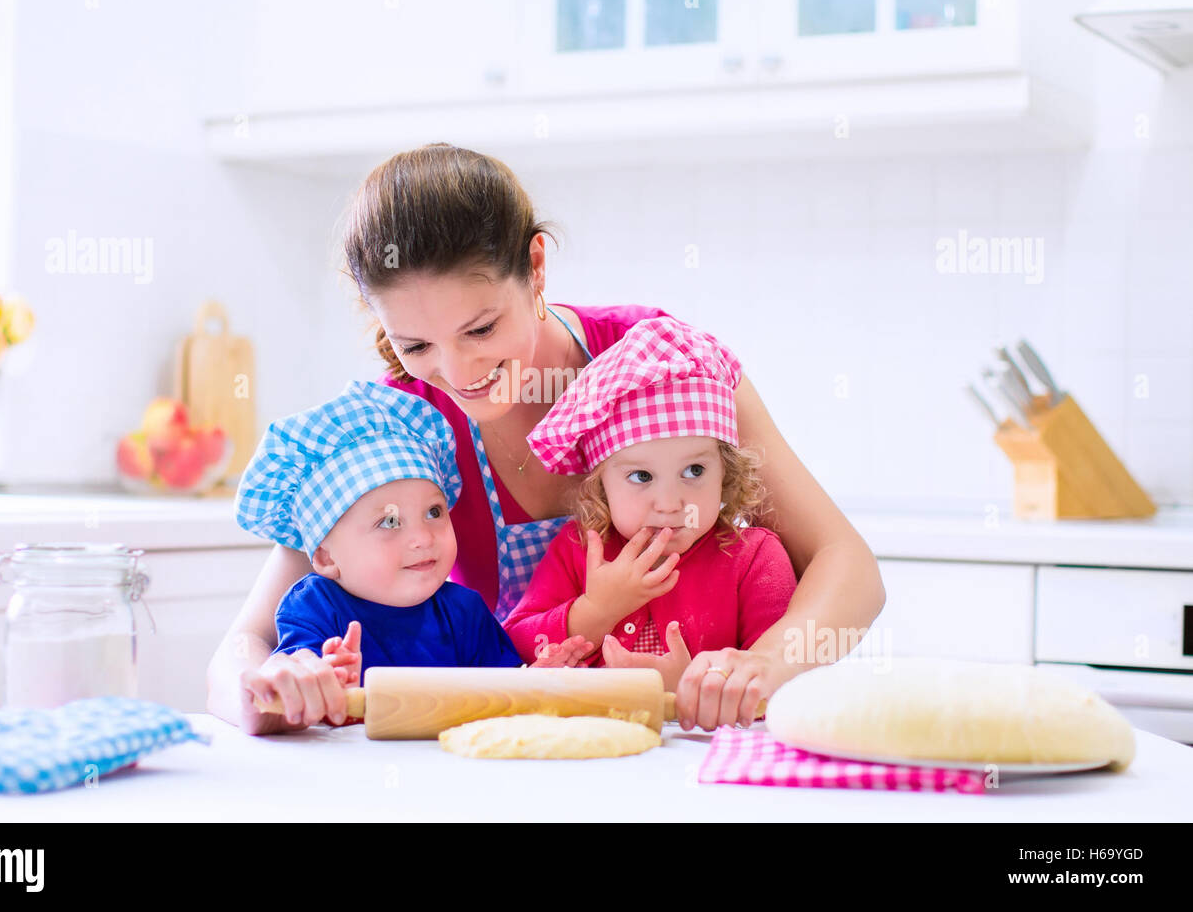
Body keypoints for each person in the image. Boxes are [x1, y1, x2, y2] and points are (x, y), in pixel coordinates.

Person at [207, 142, 885, 735]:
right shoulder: (396, 428)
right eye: (416, 344)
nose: (458, 373)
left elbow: (848, 567)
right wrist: (264, 686)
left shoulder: (660, 361)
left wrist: (761, 668)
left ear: (534, 267)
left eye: (480, 329)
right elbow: (247, 640)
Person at [231, 380, 591, 725]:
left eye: (434, 512)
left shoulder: (463, 611)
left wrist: (534, 680)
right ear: (326, 557)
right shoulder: (313, 608)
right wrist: (326, 683)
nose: (422, 537)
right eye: (389, 522)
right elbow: (292, 692)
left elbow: (500, 698)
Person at [503, 317, 798, 705]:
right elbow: (517, 647)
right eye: (642, 476)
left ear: (726, 471)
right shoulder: (579, 550)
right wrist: (594, 611)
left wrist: (690, 685)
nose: (670, 502)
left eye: (694, 471)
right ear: (600, 484)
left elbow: (780, 682)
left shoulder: (753, 558)